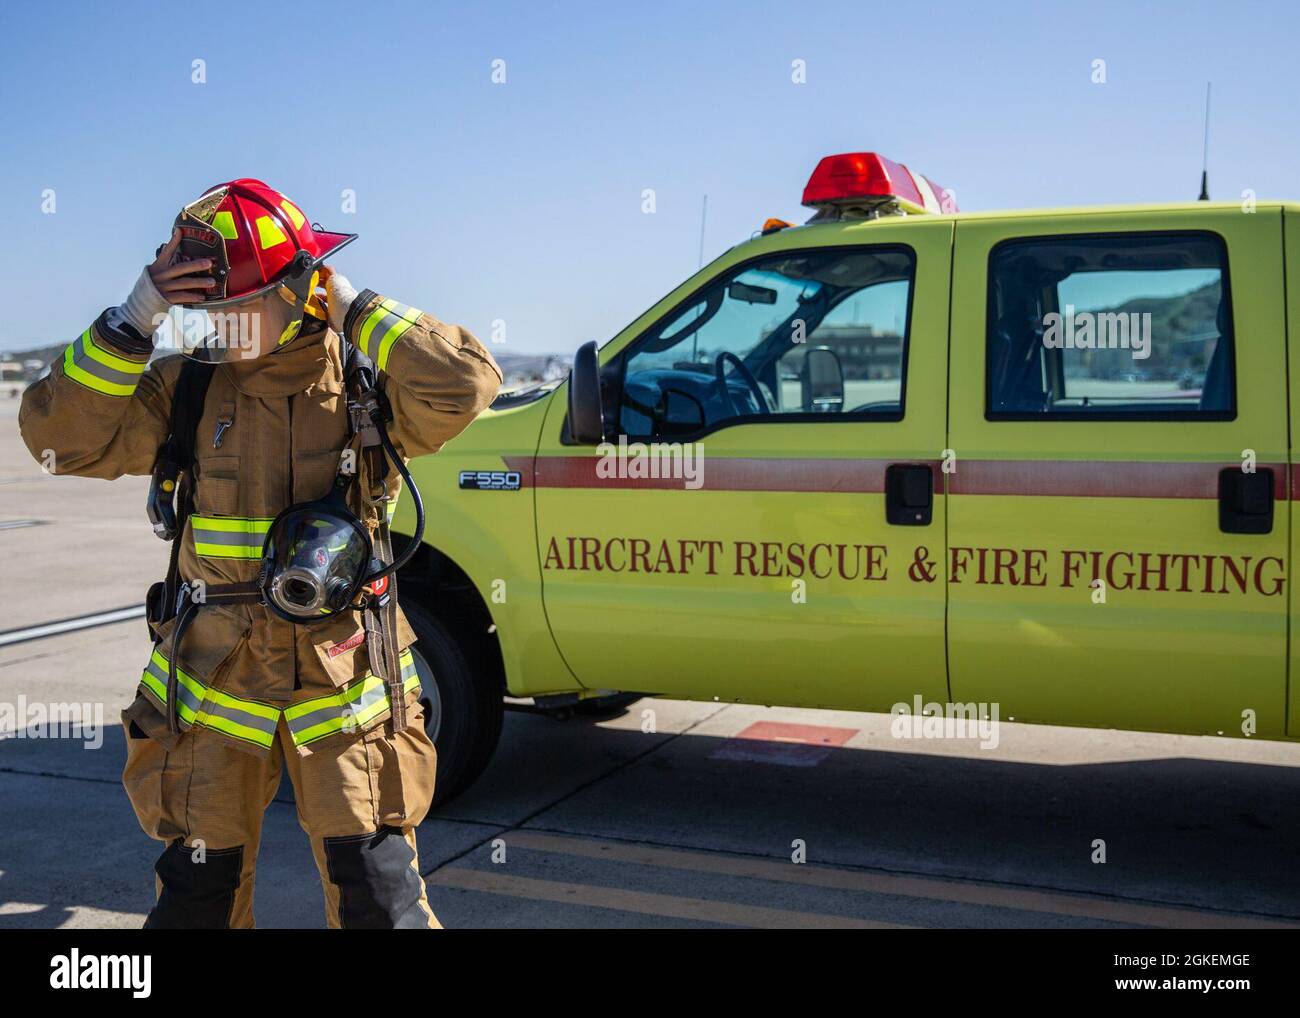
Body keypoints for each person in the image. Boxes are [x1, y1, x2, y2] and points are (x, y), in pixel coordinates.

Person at [18, 179, 502, 928]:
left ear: (300, 289)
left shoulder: (364, 381)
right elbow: (57, 439)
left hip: (346, 686)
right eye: (205, 313)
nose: (216, 329)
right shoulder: (186, 390)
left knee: (379, 898)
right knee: (196, 903)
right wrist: (134, 316)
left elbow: (467, 383)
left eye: (235, 311)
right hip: (212, 682)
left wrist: (350, 305)